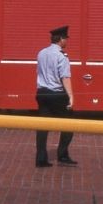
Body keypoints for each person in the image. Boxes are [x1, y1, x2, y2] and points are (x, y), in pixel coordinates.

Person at [35, 25, 76, 168]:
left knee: (42, 126)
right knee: (68, 125)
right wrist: (71, 96)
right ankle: (63, 155)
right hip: (57, 95)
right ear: (60, 39)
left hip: (42, 93)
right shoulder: (61, 56)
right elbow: (65, 77)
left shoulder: (41, 53)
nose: (67, 41)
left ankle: (40, 158)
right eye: (65, 38)